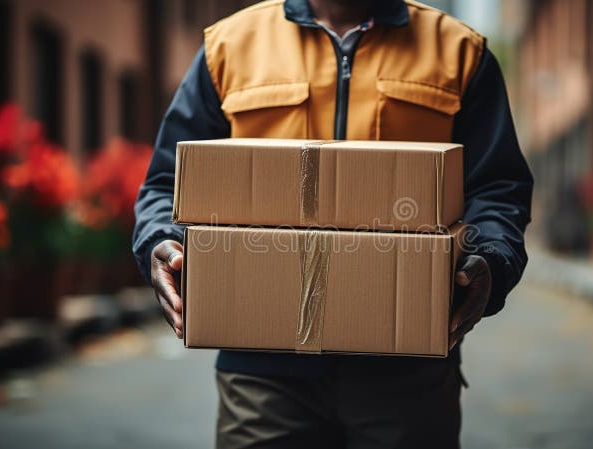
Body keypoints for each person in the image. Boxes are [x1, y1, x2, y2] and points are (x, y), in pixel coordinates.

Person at [133, 0, 533, 447]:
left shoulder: (459, 51)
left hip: (408, 368)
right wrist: (161, 242)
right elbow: (169, 182)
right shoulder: (229, 45)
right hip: (262, 373)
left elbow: (497, 188)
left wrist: (489, 261)